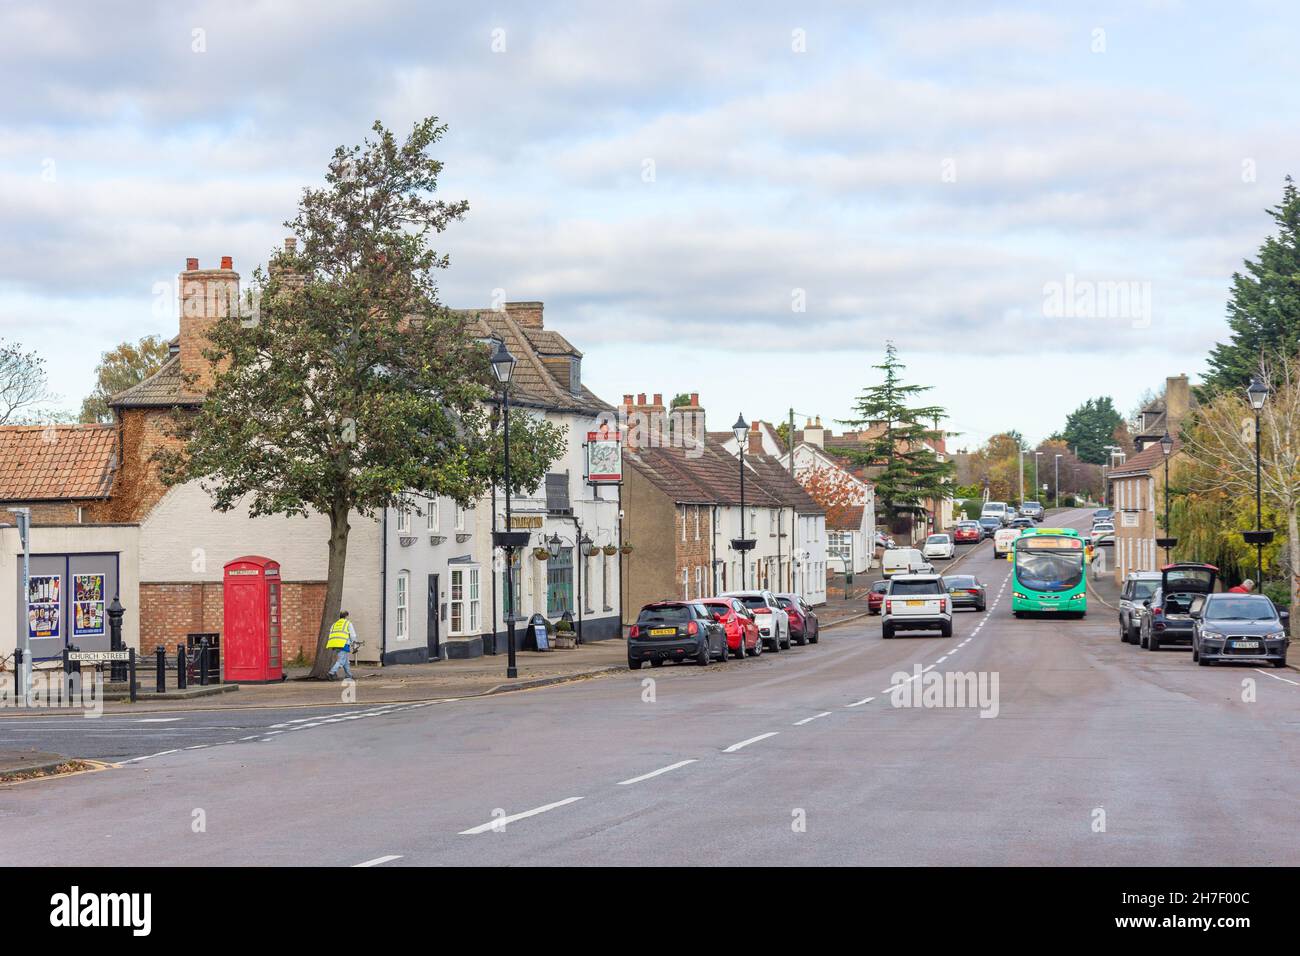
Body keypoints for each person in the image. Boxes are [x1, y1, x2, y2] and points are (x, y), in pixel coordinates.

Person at [326, 611, 356, 680]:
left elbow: (331, 632)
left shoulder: (334, 624)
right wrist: (354, 643)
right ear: (346, 616)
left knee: (345, 660)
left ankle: (349, 675)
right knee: (341, 660)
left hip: (334, 643)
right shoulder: (348, 623)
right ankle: (331, 672)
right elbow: (353, 635)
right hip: (343, 643)